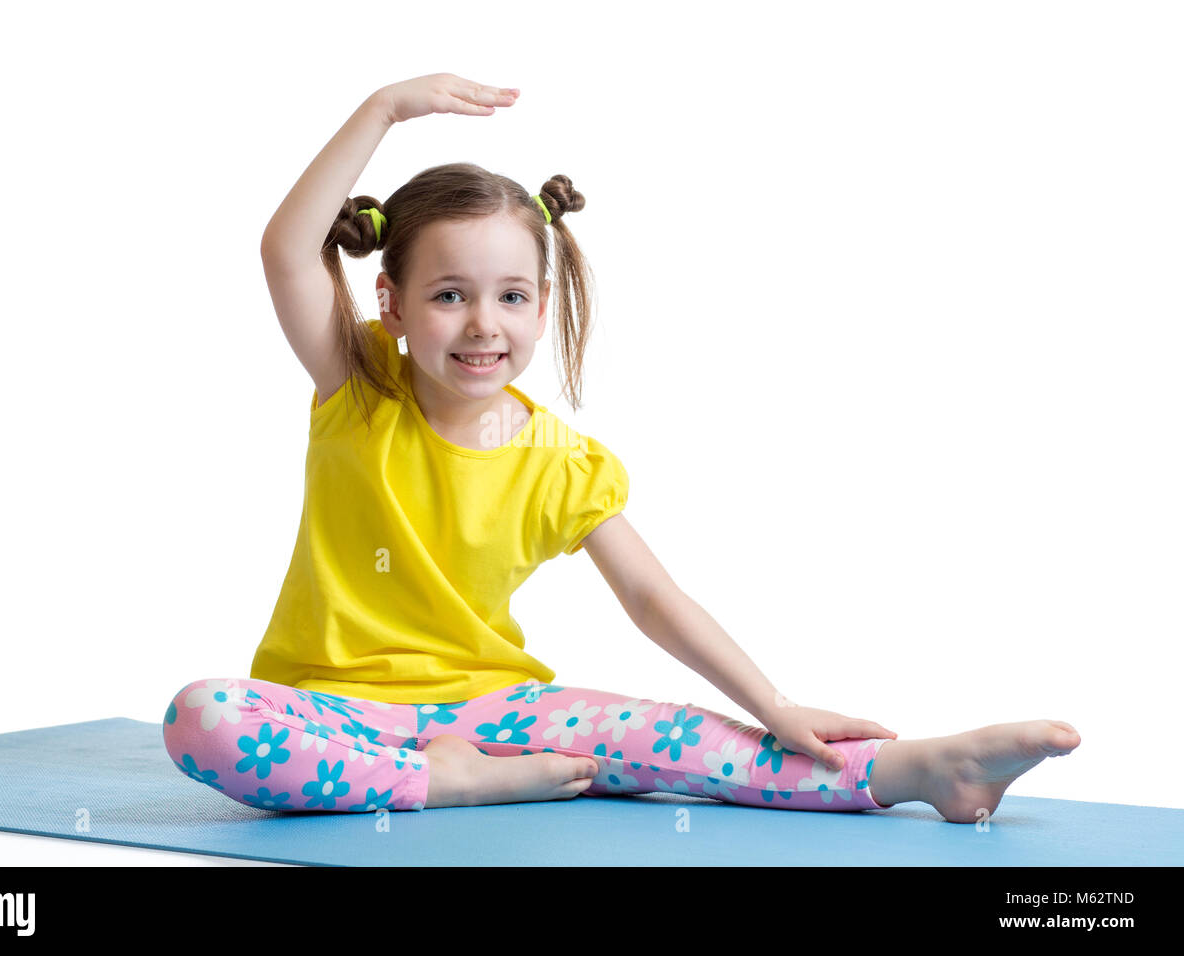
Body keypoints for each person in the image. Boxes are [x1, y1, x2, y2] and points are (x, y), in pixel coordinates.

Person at [162, 73, 1080, 820]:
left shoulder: (560, 459)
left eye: (511, 296)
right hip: (332, 713)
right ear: (392, 305)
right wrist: (386, 108)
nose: (483, 324)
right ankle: (444, 785)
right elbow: (286, 251)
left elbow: (652, 595)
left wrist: (774, 704)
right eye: (449, 295)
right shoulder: (359, 390)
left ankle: (922, 770)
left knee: (688, 739)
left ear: (542, 305)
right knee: (202, 717)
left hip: (497, 711)